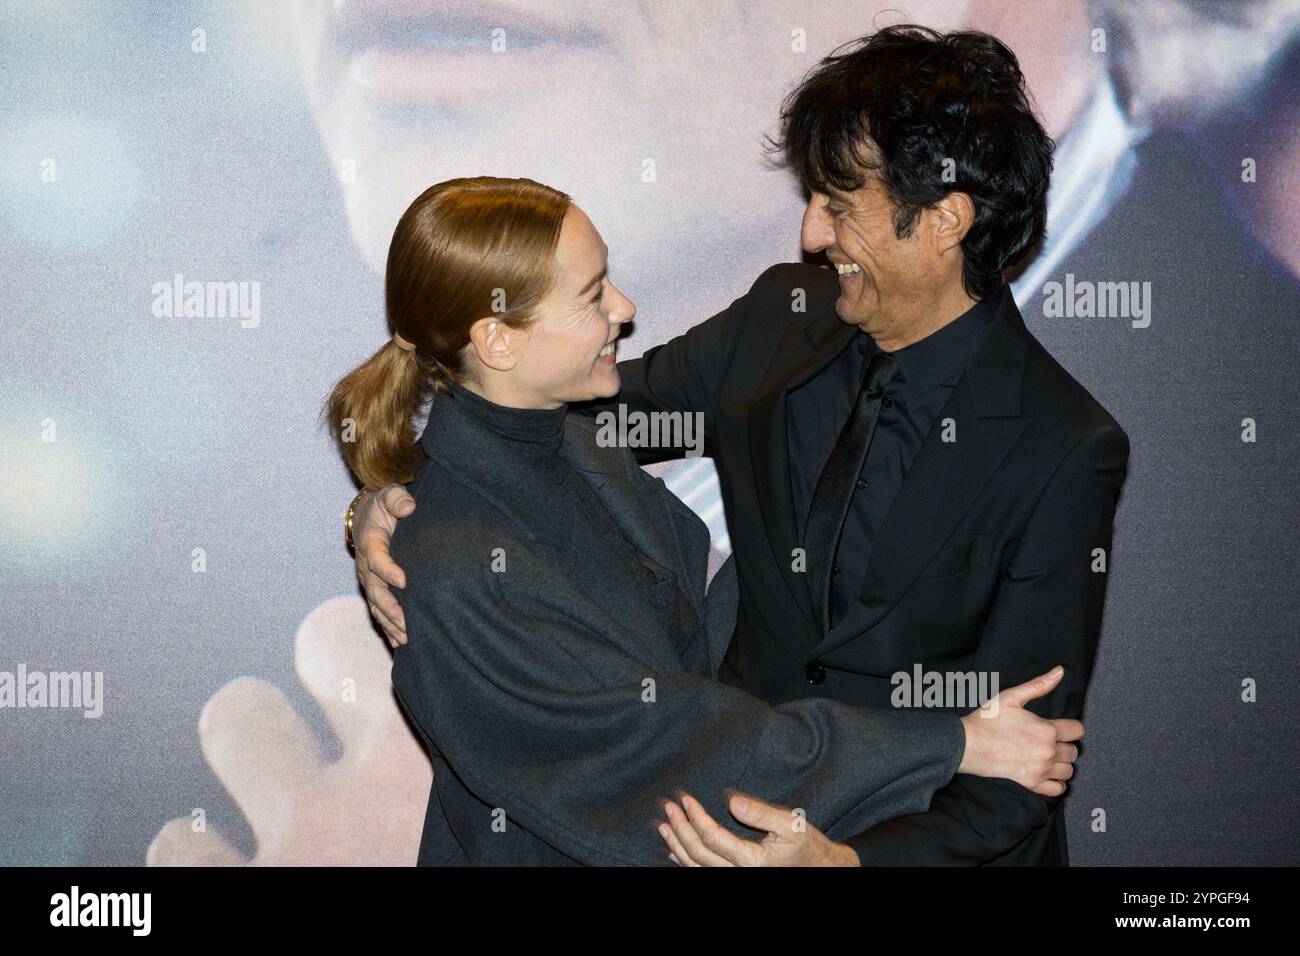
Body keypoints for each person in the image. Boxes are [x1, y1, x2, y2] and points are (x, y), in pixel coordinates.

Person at [354, 26, 1130, 867]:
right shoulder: (783, 319)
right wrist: (398, 499)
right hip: (716, 827)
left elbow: (1025, 758)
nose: (809, 233)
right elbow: (560, 412)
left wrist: (846, 864)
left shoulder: (1063, 446)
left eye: (838, 204)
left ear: (943, 221)